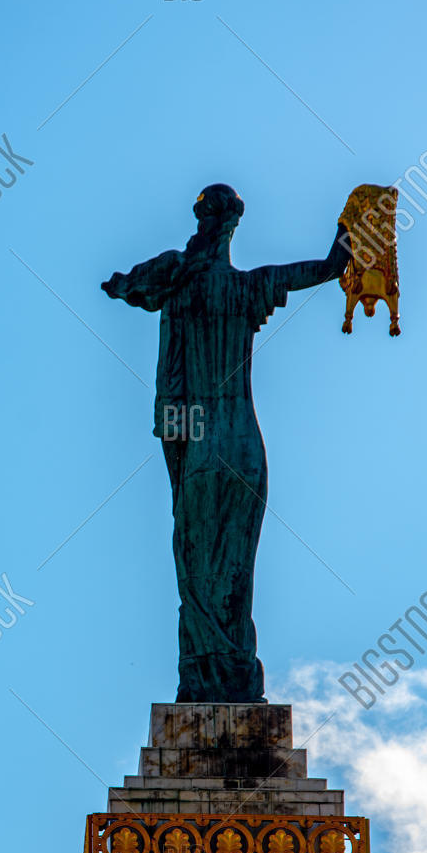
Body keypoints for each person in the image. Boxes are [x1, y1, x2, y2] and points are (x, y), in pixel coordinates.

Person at [102, 183, 349, 703]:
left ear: (203, 222)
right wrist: (355, 230)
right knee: (236, 573)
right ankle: (235, 676)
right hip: (244, 449)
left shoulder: (175, 279)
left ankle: (204, 678)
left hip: (200, 444)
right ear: (234, 226)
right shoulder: (244, 287)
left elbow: (124, 287)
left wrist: (123, 283)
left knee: (195, 569)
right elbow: (327, 267)